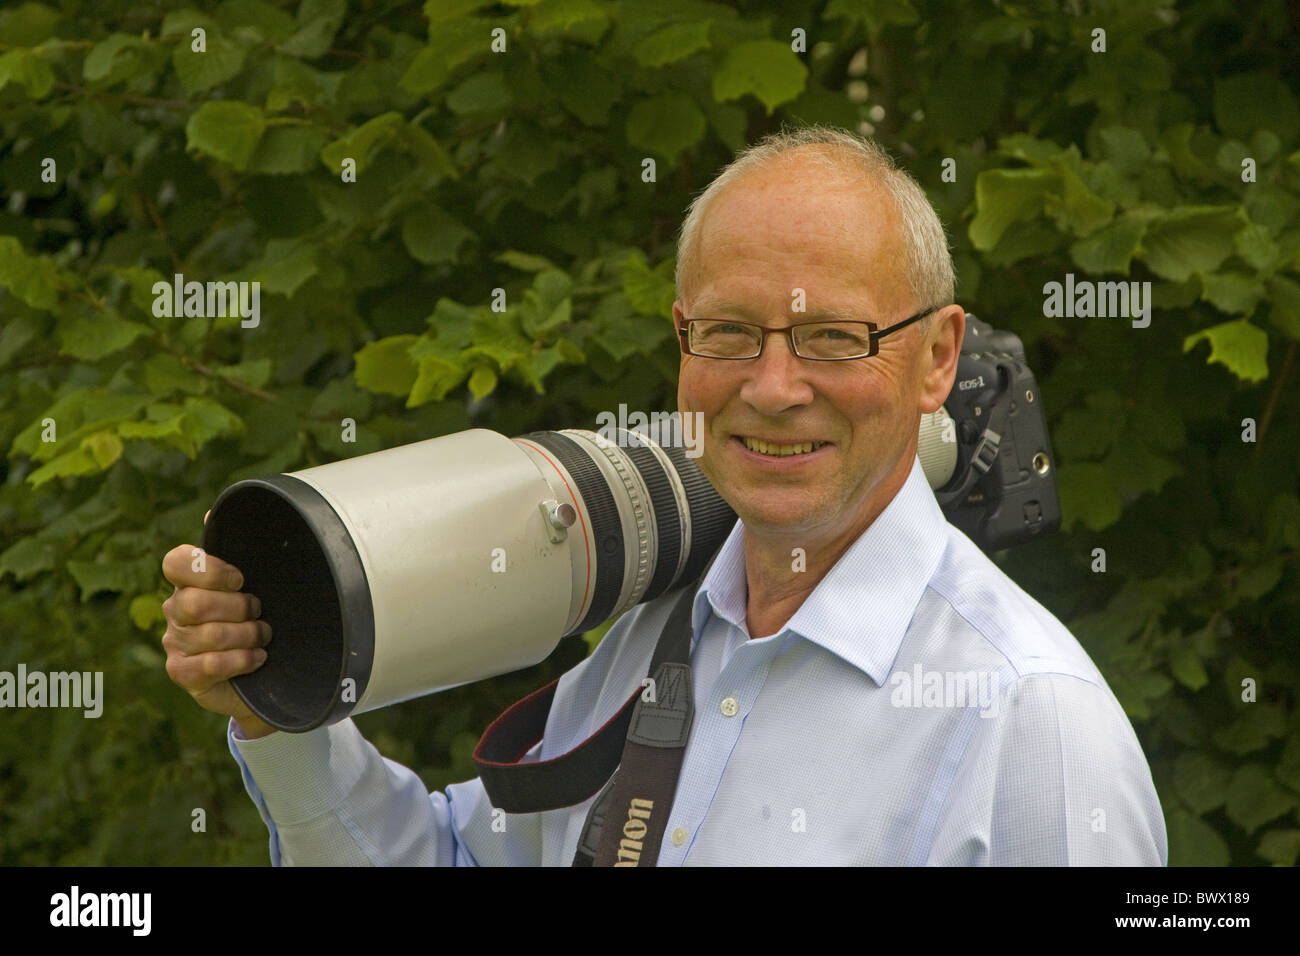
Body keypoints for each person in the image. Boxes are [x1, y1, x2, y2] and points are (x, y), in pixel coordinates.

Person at [160, 125, 1167, 865]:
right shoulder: (665, 631)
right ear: (681, 336)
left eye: (830, 337)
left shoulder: (1033, 726)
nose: (772, 388)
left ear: (936, 356)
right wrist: (274, 699)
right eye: (730, 332)